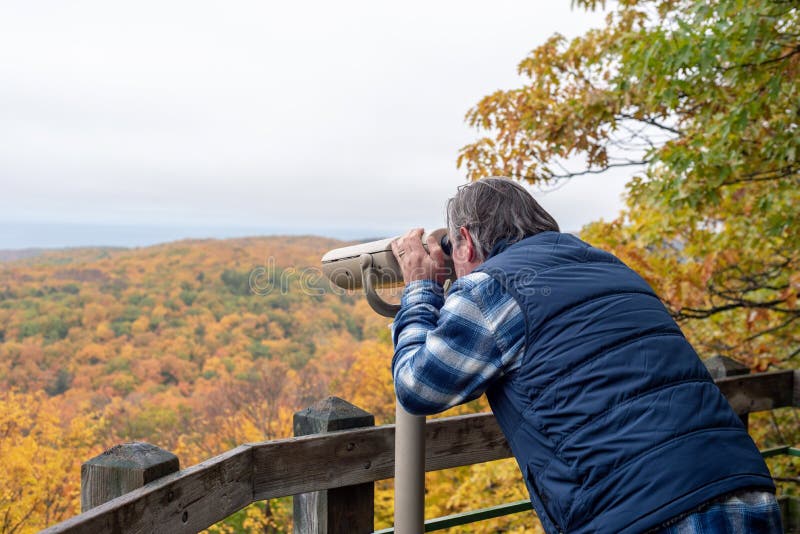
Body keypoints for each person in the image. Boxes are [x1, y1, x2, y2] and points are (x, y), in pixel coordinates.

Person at [389, 178, 782, 533]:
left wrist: (421, 288)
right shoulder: (611, 267)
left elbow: (418, 385)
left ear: (466, 240)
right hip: (745, 492)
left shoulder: (493, 286)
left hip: (642, 512)